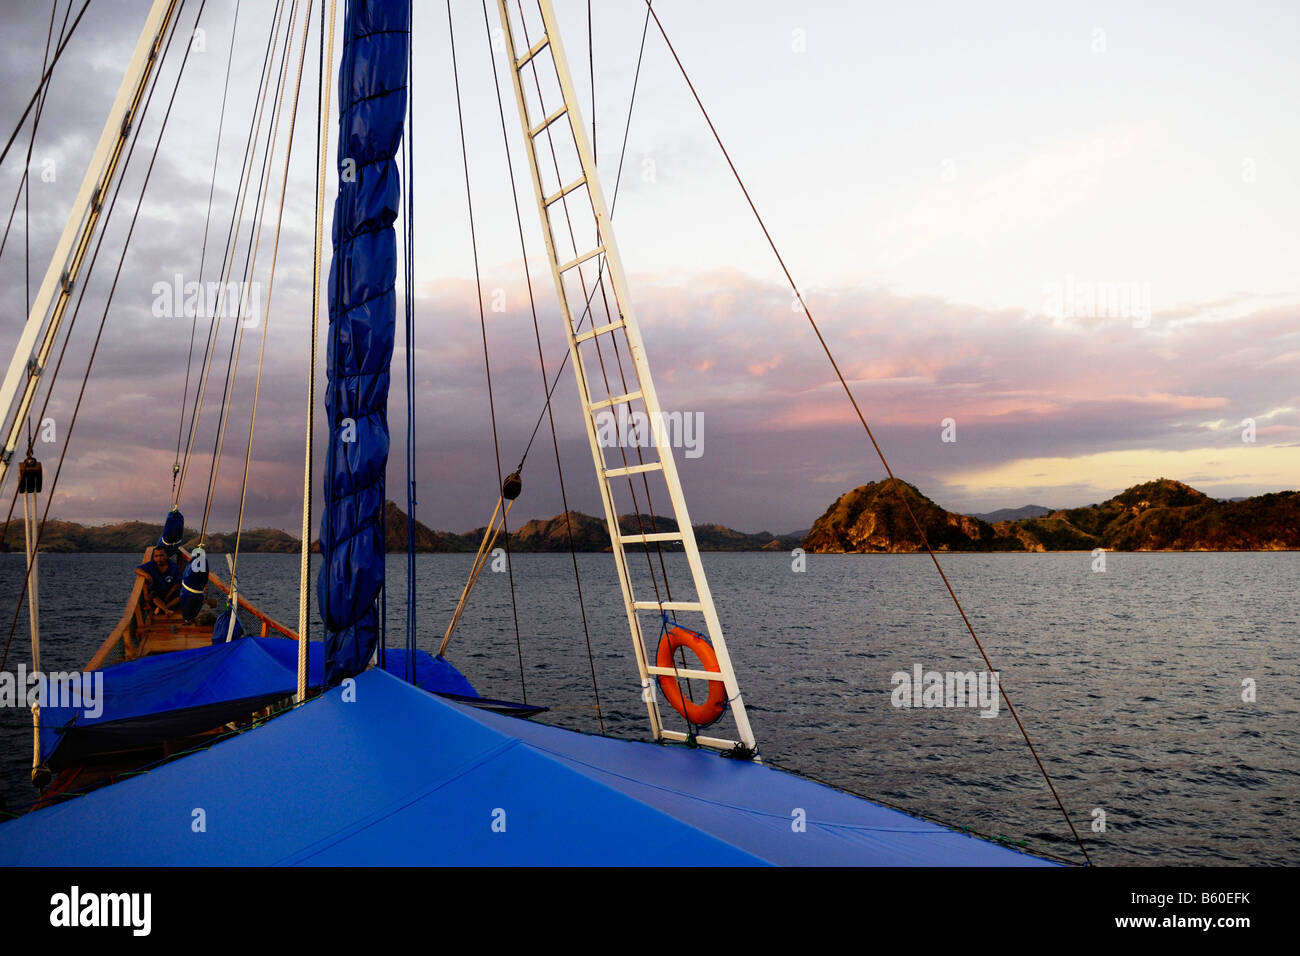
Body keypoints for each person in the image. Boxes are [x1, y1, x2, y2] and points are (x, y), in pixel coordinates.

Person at [135, 545, 181, 616]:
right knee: (153, 594)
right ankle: (166, 610)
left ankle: (162, 608)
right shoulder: (151, 565)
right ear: (153, 557)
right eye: (156, 556)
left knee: (182, 595)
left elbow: (177, 584)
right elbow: (137, 570)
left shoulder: (173, 566)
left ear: (166, 556)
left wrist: (168, 595)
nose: (159, 558)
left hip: (170, 593)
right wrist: (146, 575)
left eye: (161, 555)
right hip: (157, 594)